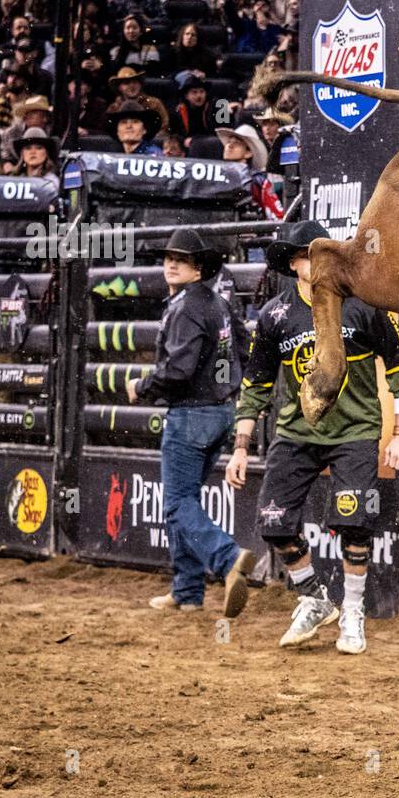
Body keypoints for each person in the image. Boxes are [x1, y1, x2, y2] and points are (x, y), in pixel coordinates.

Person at [225, 220, 399, 653]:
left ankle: (353, 613)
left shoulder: (366, 305)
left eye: (324, 253)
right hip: (295, 431)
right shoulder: (275, 315)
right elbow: (255, 382)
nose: (318, 262)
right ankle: (313, 597)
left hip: (356, 430)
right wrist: (241, 447)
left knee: (353, 522)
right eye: (309, 255)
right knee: (273, 523)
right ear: (295, 264)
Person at [127, 228, 257, 613]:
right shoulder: (218, 304)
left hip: (190, 415)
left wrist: (142, 386)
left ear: (198, 268)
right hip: (220, 412)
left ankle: (227, 558)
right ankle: (186, 590)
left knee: (177, 502)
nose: (171, 263)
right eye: (169, 257)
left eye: (181, 259)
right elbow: (243, 350)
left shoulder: (185, 308)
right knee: (184, 499)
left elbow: (178, 370)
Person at [216, 122, 283, 218]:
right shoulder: (215, 175)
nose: (229, 146)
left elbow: (277, 216)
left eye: (236, 143)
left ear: (248, 153)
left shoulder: (258, 181)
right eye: (228, 142)